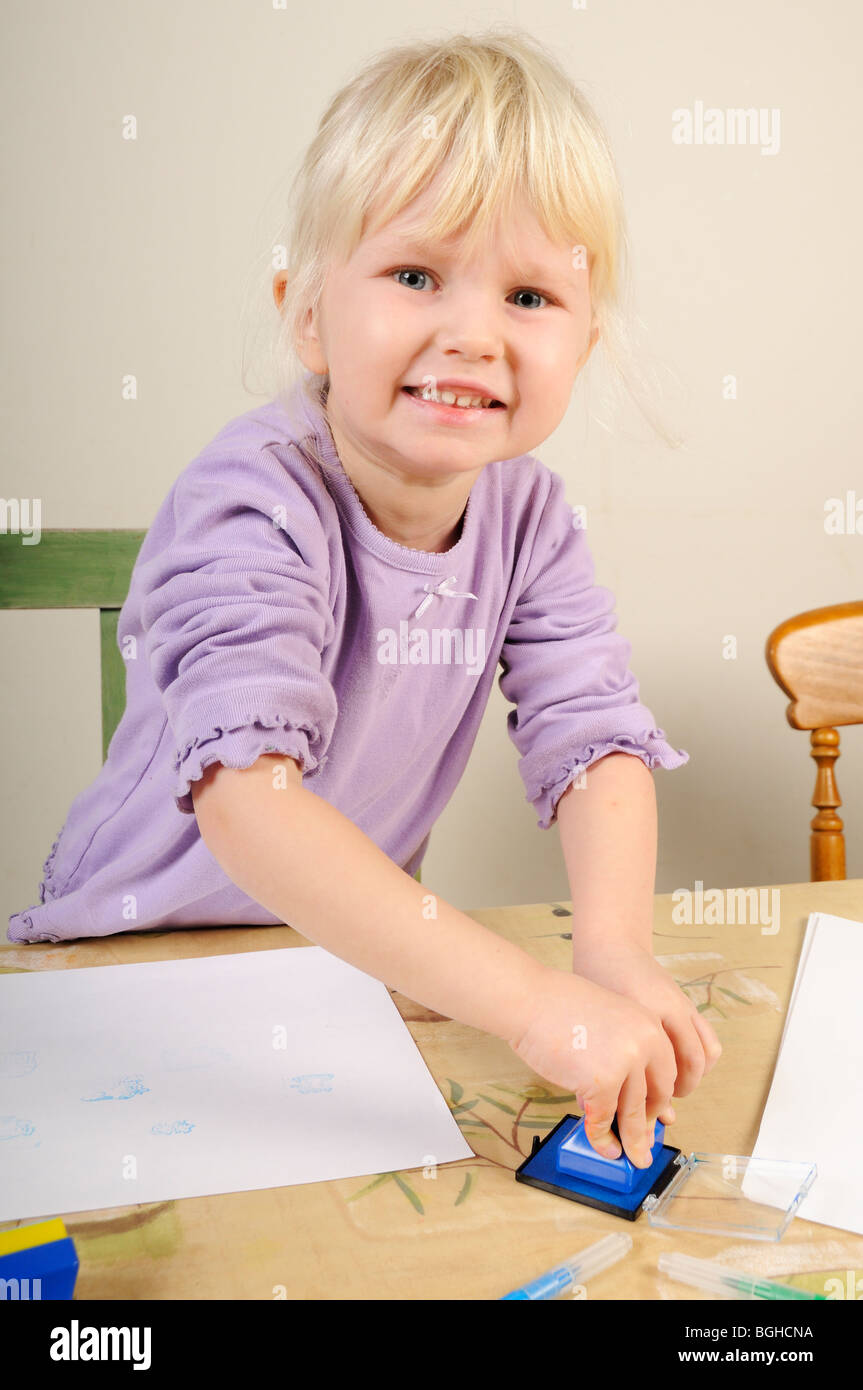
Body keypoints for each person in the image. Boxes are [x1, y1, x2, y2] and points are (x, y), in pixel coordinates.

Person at [8, 29, 720, 1167]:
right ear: (305, 313)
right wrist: (533, 1006)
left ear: (582, 343)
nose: (474, 333)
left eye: (530, 293)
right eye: (415, 274)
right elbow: (247, 798)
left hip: (345, 969)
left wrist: (612, 953)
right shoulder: (255, 496)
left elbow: (593, 742)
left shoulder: (530, 519)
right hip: (130, 968)